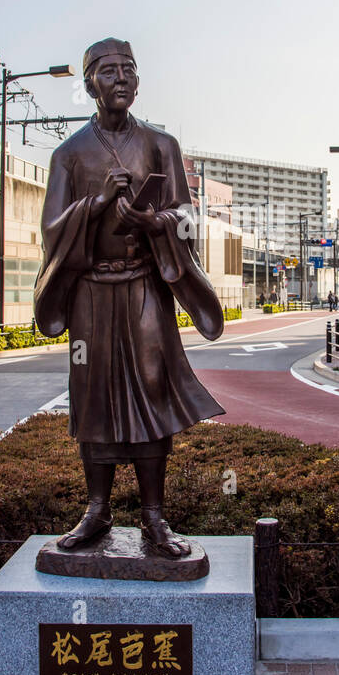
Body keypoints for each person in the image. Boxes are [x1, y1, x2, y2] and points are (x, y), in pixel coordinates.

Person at [34, 37, 224, 559]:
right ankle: (97, 510)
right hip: (91, 293)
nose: (121, 79)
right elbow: (51, 230)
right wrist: (95, 204)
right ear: (89, 83)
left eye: (129, 70)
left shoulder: (161, 145)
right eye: (109, 71)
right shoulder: (69, 154)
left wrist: (154, 220)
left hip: (145, 286)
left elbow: (186, 216)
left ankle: (154, 516)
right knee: (91, 392)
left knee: (151, 389)